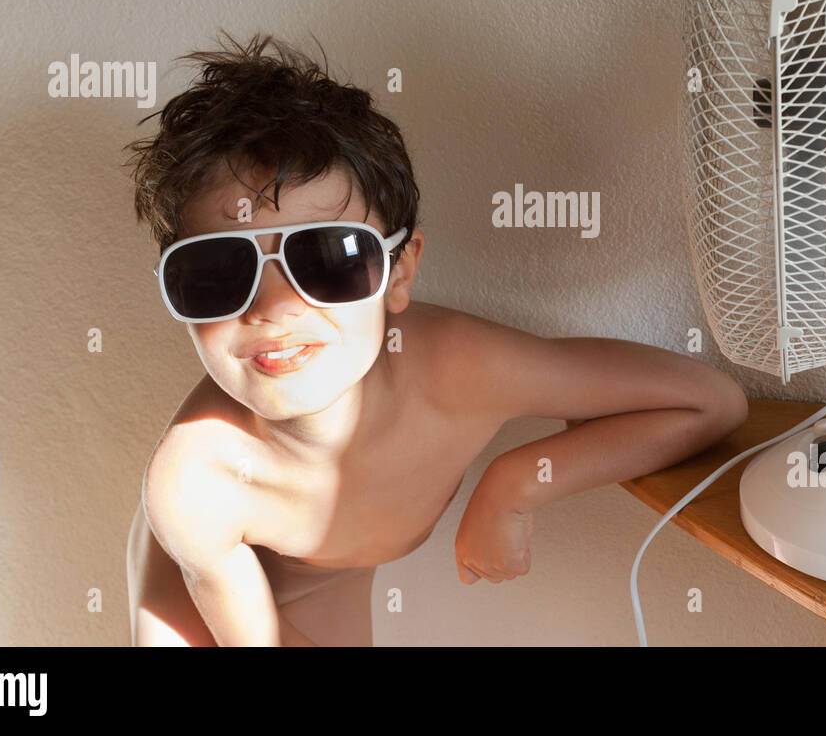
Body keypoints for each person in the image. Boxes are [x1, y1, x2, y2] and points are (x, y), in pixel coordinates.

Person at [123, 32, 748, 645]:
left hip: (321, 583)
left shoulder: (459, 369)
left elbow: (708, 403)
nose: (274, 307)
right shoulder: (196, 487)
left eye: (327, 258)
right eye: (216, 273)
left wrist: (518, 482)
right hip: (208, 589)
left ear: (400, 272)